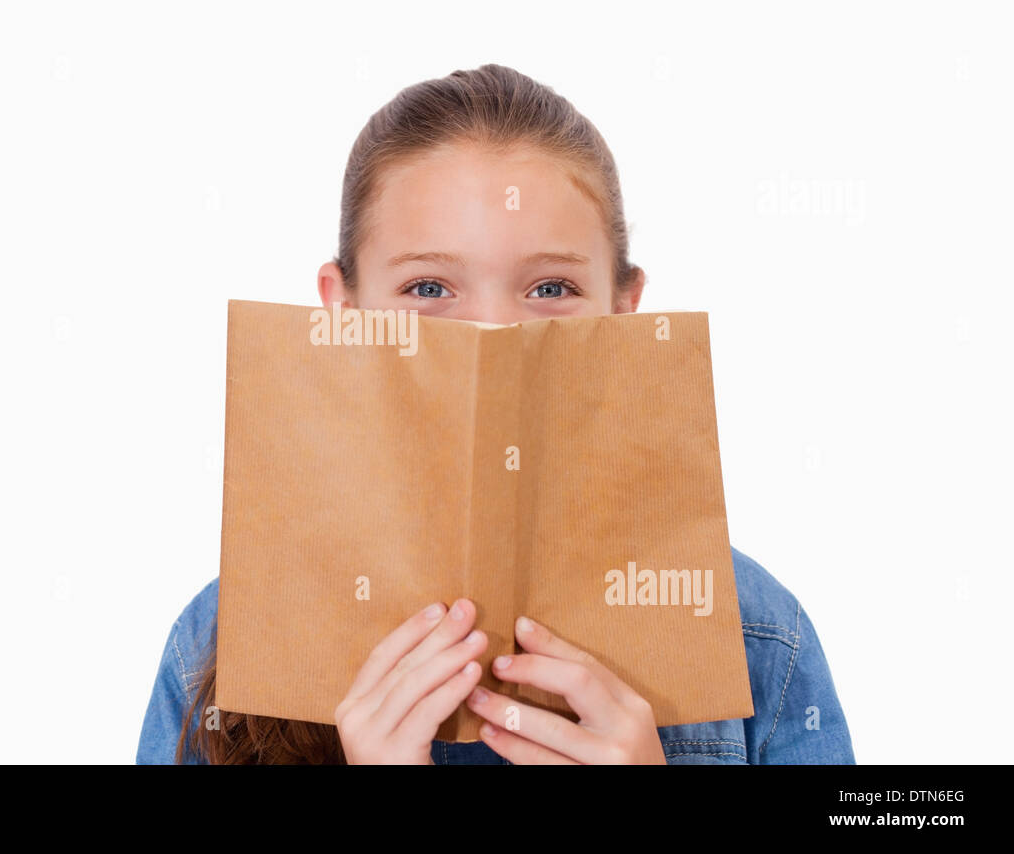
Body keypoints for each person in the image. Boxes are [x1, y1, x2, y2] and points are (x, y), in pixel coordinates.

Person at [136, 64, 855, 764]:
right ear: (343, 311)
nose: (491, 335)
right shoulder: (221, 644)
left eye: (549, 287)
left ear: (624, 311)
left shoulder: (756, 635)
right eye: (428, 285)